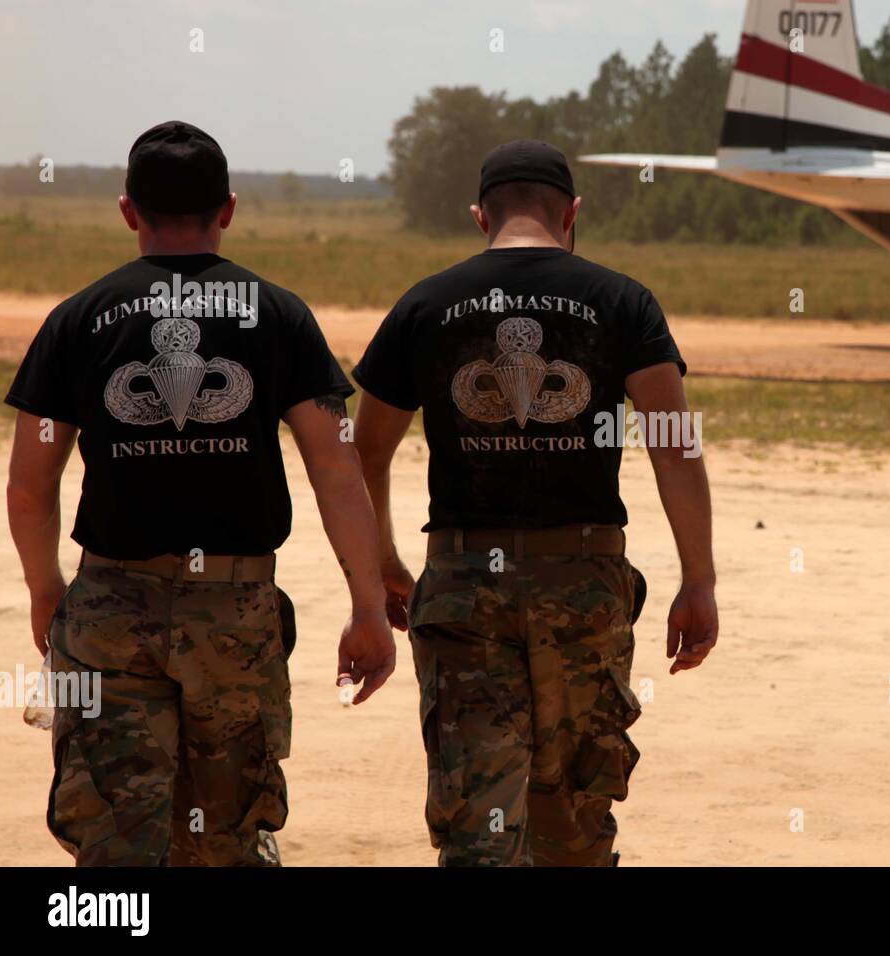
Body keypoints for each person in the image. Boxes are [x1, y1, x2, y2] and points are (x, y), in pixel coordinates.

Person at [5, 121, 396, 866]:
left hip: (111, 607)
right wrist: (367, 605)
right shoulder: (278, 314)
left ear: (128, 211)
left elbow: (30, 485)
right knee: (226, 838)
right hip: (236, 610)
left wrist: (46, 588)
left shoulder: (77, 319)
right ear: (228, 209)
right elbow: (336, 469)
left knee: (115, 843)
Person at [352, 139, 719, 866]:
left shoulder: (426, 303)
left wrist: (384, 566)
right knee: (574, 827)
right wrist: (697, 579)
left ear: (480, 216)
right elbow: (675, 442)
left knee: (479, 832)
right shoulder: (623, 301)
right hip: (582, 588)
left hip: (462, 593)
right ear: (572, 214)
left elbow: (364, 451)